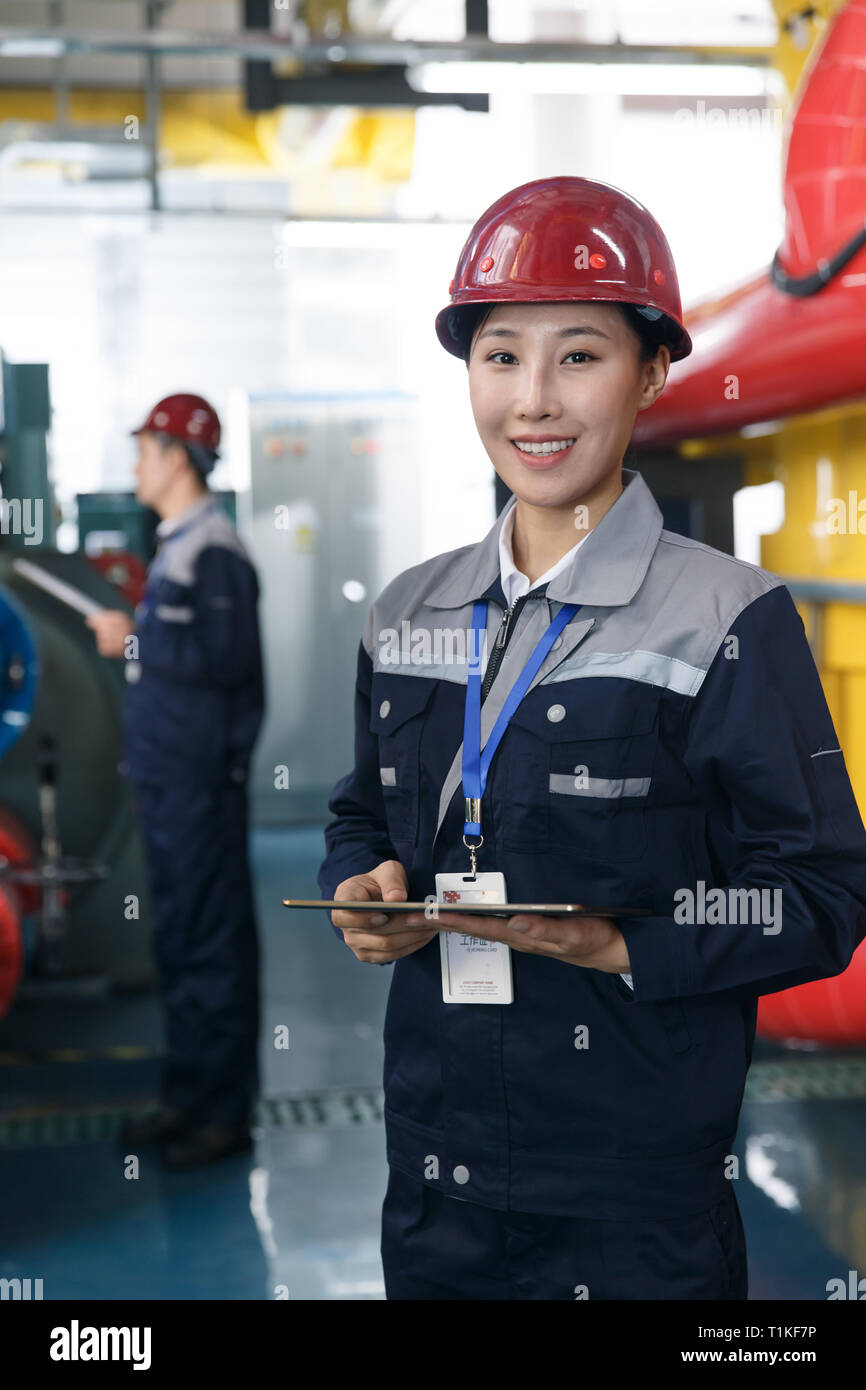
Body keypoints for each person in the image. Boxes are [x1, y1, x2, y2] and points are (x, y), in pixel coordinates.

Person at [316, 177, 866, 1300]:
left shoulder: (727, 618)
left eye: (578, 355)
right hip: (437, 1176)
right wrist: (359, 883)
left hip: (632, 1202)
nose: (533, 400)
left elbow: (818, 896)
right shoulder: (406, 611)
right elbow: (361, 809)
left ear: (652, 369)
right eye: (500, 355)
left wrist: (617, 945)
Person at [87, 393, 265, 1170]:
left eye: (143, 451)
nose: (136, 466)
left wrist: (136, 639)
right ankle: (186, 1098)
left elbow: (227, 671)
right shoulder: (177, 546)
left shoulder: (212, 552)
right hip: (170, 782)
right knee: (180, 940)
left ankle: (221, 1115)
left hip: (198, 785)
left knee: (209, 941)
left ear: (173, 456)